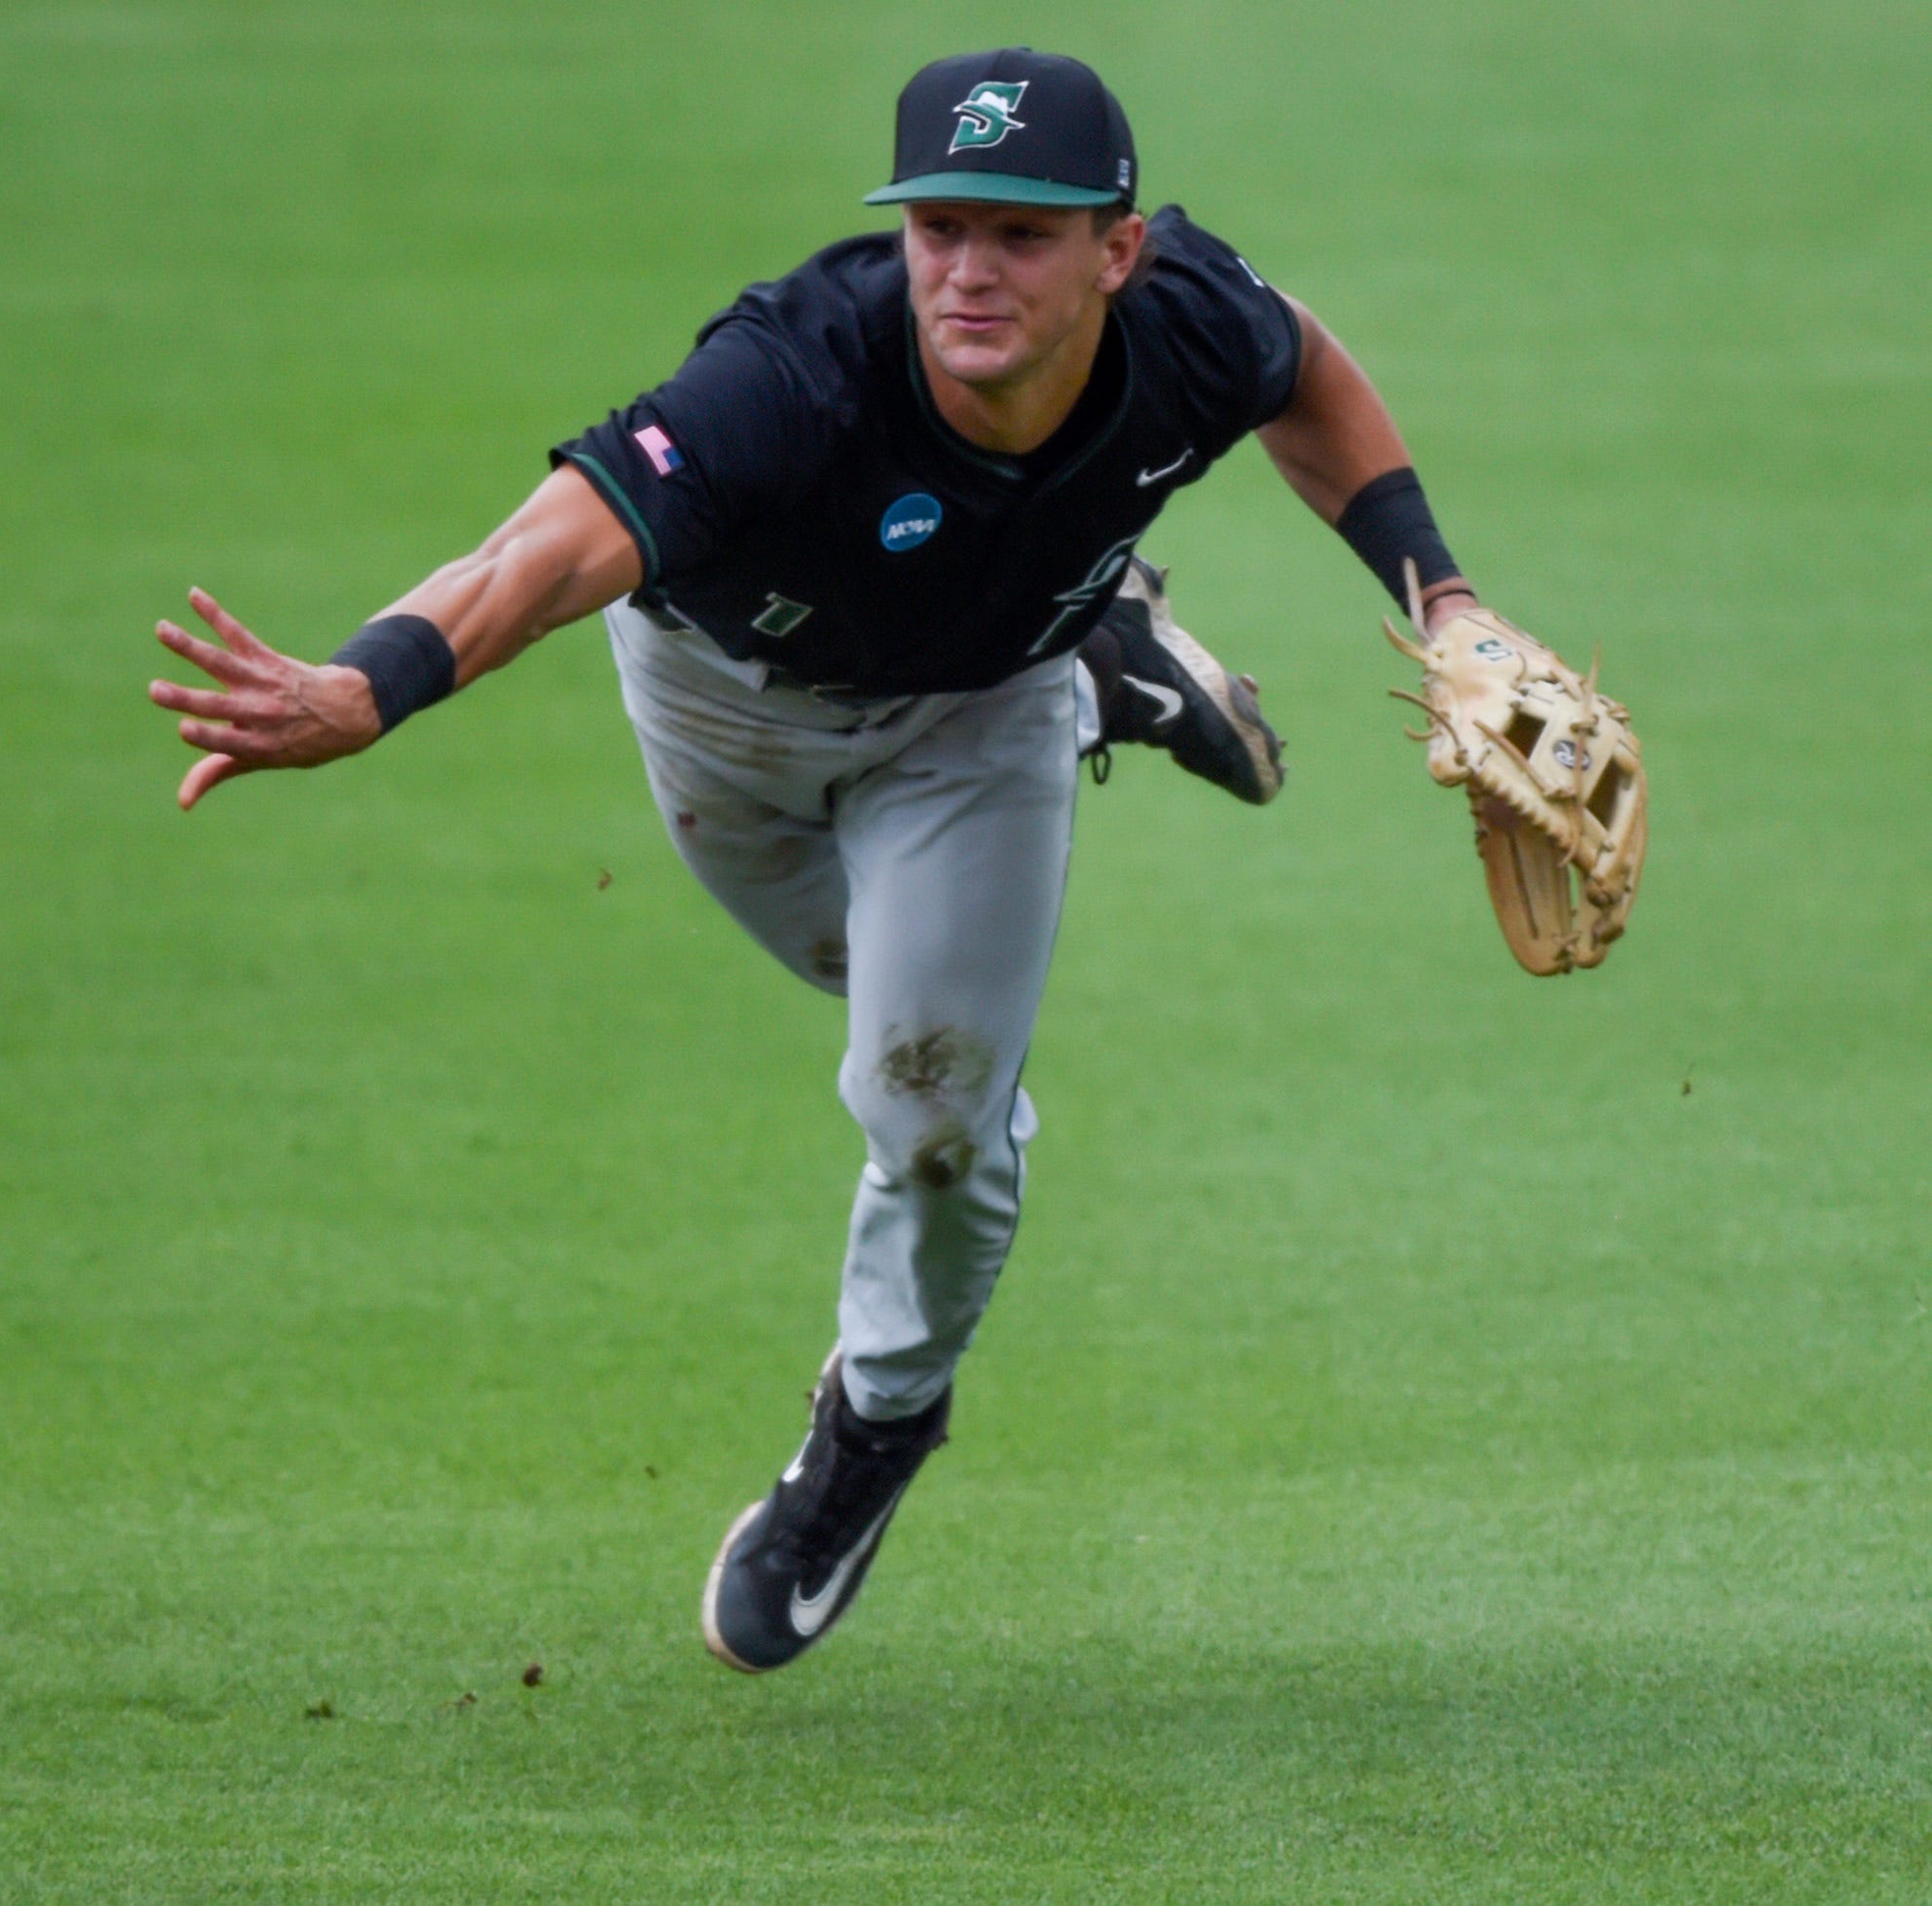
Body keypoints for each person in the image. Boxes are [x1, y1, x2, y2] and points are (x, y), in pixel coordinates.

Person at [144, 47, 1489, 1674]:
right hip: (732, 724)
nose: (969, 272)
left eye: (1023, 233)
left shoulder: (1188, 319)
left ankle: (875, 1427)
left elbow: (1307, 371)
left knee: (934, 1110)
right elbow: (545, 548)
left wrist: (1446, 600)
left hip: (971, 724)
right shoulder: (798, 372)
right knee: (881, 1009)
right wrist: (376, 682)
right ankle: (1100, 654)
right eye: (939, 227)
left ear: (1116, 252)